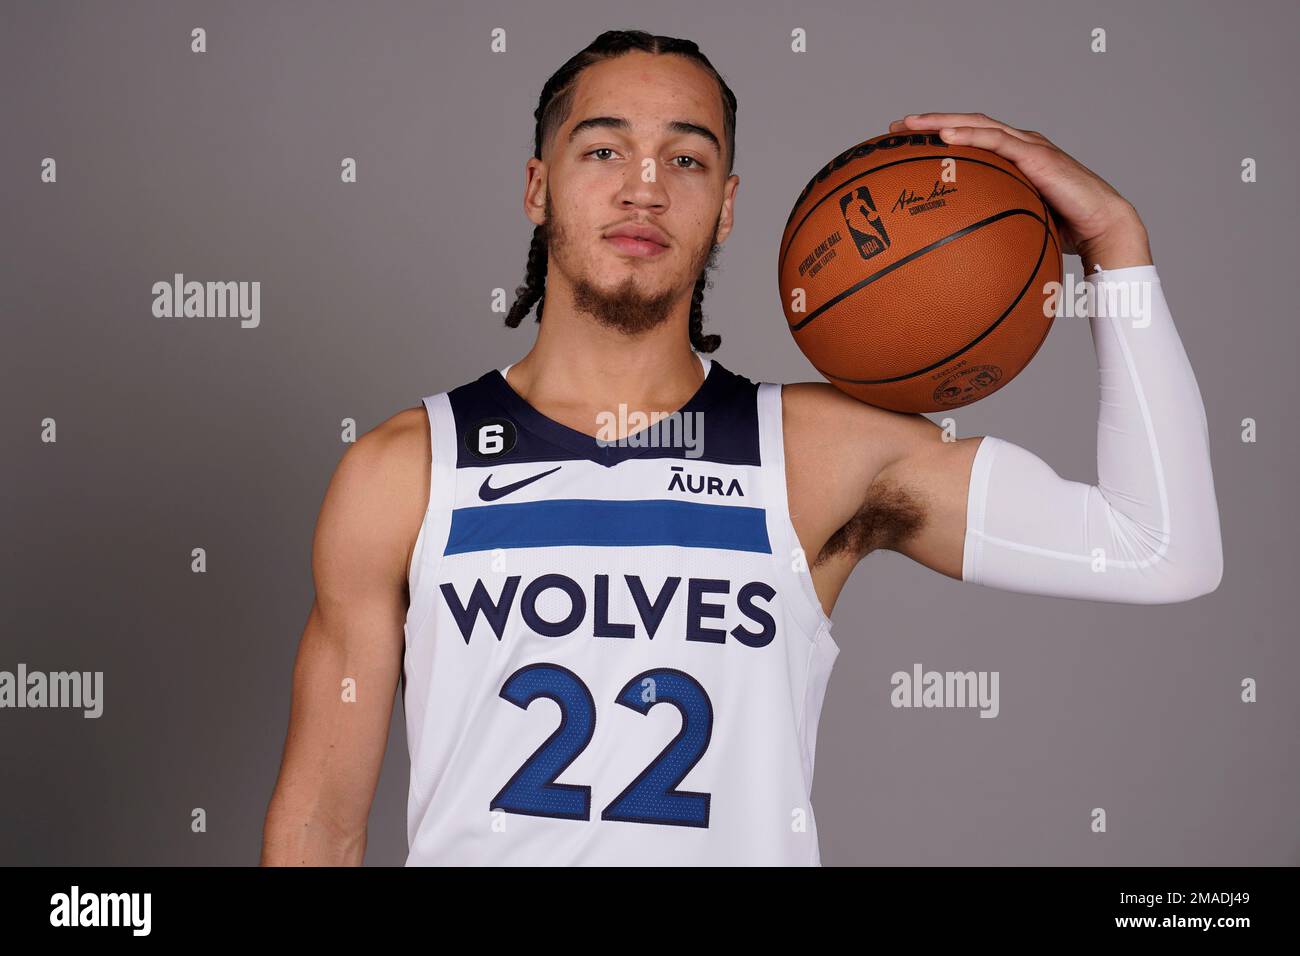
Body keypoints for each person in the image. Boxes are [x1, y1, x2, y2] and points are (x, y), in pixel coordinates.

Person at [261, 30, 1222, 866]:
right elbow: (320, 825)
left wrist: (1113, 243)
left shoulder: (817, 456)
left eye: (685, 160)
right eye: (603, 149)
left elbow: (1162, 551)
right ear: (536, 186)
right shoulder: (406, 469)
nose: (644, 187)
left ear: (725, 207)